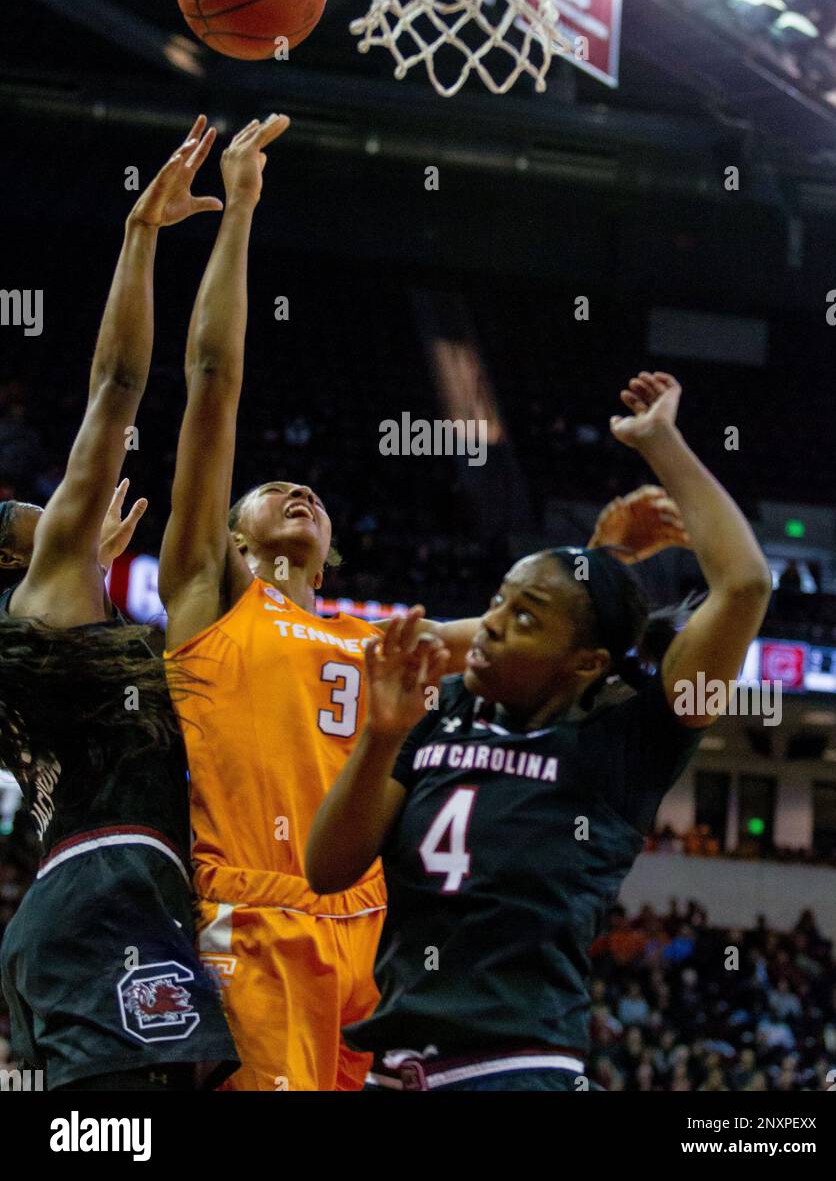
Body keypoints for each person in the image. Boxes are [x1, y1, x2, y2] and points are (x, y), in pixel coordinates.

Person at [158, 115, 693, 1091]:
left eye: (309, 494)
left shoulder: (379, 641)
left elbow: (516, 633)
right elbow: (213, 384)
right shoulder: (212, 601)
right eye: (269, 493)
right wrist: (238, 213)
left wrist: (602, 557)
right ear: (230, 542)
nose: (298, 493)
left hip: (379, 929)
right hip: (258, 915)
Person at [306, 369, 772, 1091]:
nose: (491, 623)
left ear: (586, 664)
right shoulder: (440, 708)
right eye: (497, 601)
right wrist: (379, 736)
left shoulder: (627, 740)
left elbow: (743, 585)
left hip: (516, 1068)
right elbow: (326, 872)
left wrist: (661, 444)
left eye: (521, 618)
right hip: (391, 1070)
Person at [0, 117, 237, 1091]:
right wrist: (141, 236)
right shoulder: (45, 590)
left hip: (86, 909)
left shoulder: (56, 606)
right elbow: (117, 385)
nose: (47, 505)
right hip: (109, 895)